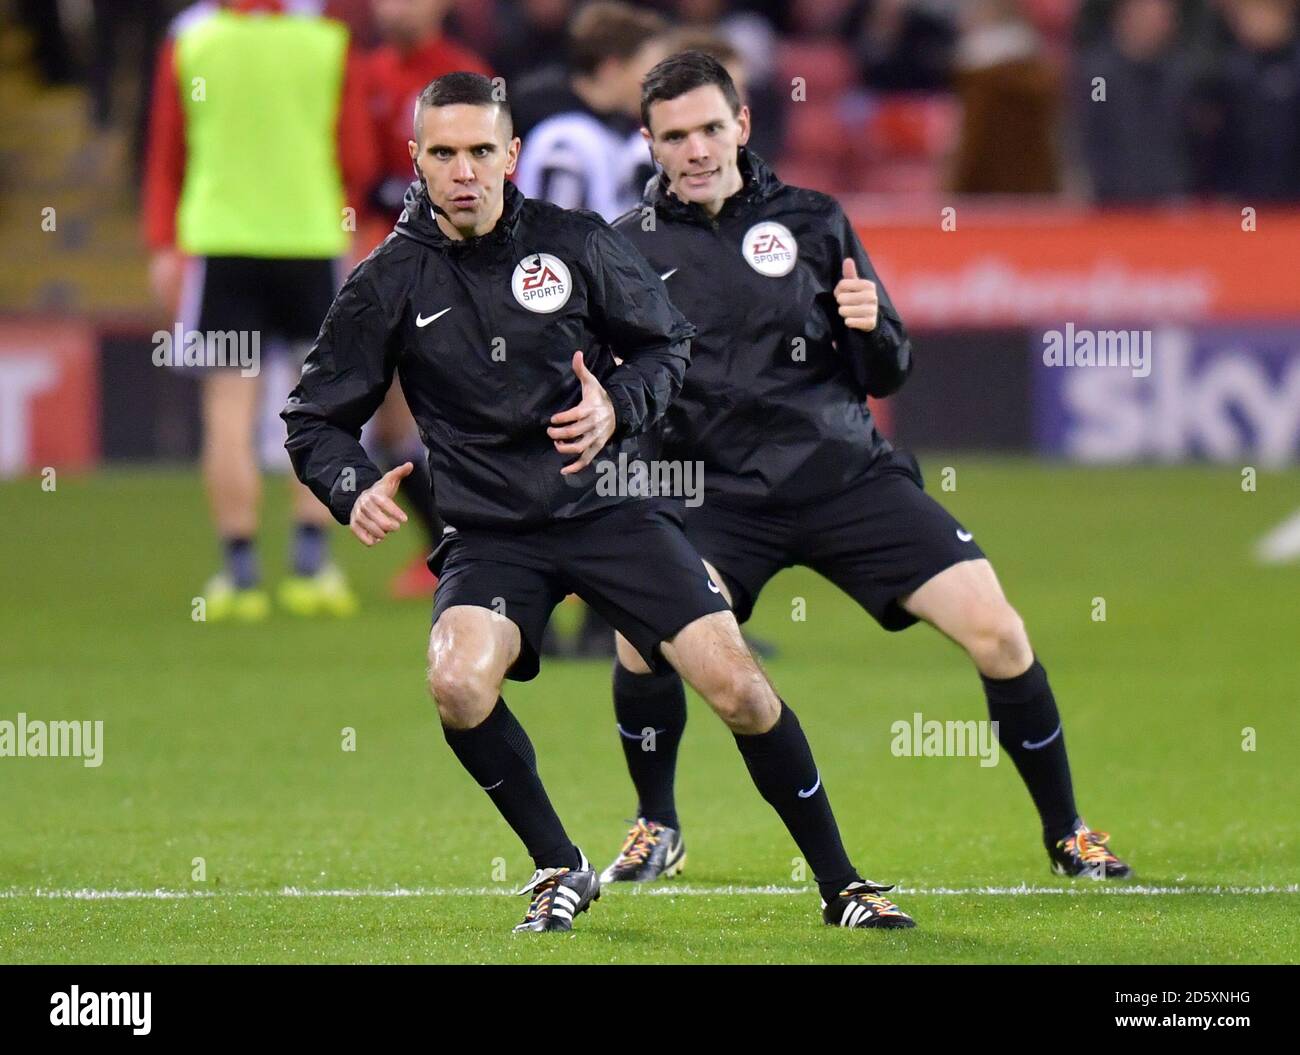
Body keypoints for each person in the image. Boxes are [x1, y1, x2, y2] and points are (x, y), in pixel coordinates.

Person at [283, 72, 915, 933]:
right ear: (416, 160)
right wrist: (350, 484)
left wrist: (619, 405)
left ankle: (843, 883)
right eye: (443, 153)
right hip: (494, 535)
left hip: (614, 511)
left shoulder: (576, 242)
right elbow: (315, 416)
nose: (463, 170)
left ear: (511, 155)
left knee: (739, 689)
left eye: (479, 151)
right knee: (457, 682)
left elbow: (666, 344)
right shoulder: (387, 282)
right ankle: (560, 864)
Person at [598, 51, 1132, 886]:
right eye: (676, 136)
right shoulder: (624, 251)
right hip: (714, 496)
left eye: (710, 128)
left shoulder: (815, 220)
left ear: (741, 125)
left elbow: (889, 369)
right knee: (640, 639)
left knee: (999, 632)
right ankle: (655, 823)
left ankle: (1068, 830)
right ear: (651, 144)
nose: (696, 149)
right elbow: (616, 385)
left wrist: (873, 325)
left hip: (845, 476)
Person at [143, 0, 377, 620]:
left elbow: (166, 151)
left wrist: (163, 243)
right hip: (310, 240)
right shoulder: (326, 40)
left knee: (227, 413)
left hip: (222, 246)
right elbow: (355, 155)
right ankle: (309, 568)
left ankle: (240, 574)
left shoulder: (191, 39)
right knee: (320, 409)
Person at [363, 0, 493, 599]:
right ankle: (448, 545)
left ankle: (504, 549)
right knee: (393, 425)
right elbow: (354, 171)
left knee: (465, 410)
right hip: (386, 260)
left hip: (457, 263)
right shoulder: (367, 74)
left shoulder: (464, 77)